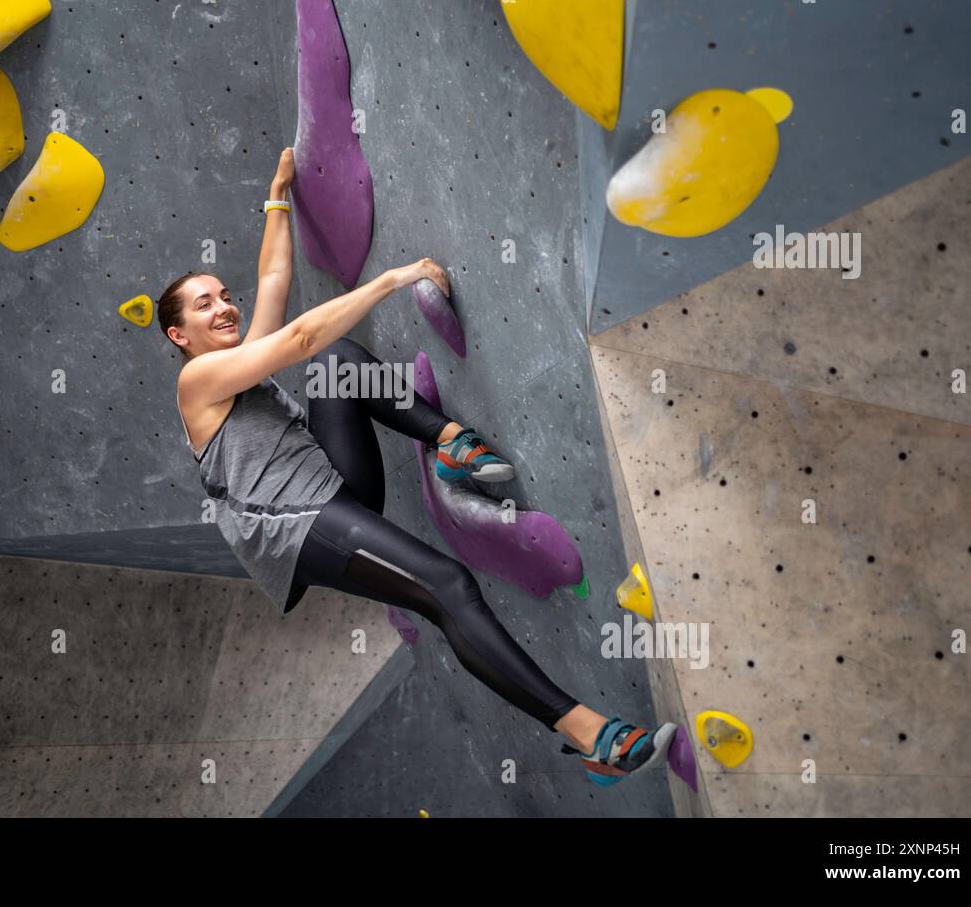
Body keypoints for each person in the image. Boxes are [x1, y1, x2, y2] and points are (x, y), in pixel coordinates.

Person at [159, 148, 676, 786]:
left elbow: (270, 284)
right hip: (304, 530)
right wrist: (388, 282)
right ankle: (591, 736)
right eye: (204, 306)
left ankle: (452, 443)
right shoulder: (198, 381)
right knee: (447, 588)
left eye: (221, 295)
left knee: (339, 362)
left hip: (333, 491)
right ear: (179, 336)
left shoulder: (234, 360)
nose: (223, 308)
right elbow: (296, 338)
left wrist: (276, 195)